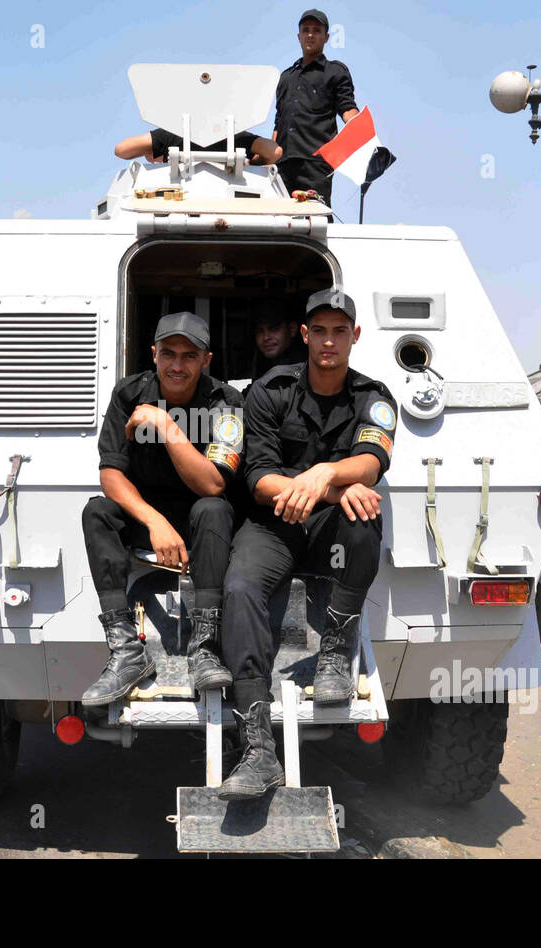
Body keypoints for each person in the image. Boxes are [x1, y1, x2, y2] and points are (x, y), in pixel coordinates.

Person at [217, 288, 397, 800]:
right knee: (242, 587)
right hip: (273, 523)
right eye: (319, 330)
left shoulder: (374, 397)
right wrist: (314, 486)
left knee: (364, 513)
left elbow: (371, 463)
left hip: (328, 532)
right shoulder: (270, 390)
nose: (329, 340)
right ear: (305, 334)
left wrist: (324, 475)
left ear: (354, 336)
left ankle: (334, 652)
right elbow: (256, 476)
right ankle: (256, 746)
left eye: (340, 330)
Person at [80, 312, 245, 706]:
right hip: (149, 518)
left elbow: (213, 483)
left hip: (202, 525)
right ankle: (126, 652)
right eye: (168, 353)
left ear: (206, 360)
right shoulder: (129, 392)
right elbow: (111, 474)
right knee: (97, 511)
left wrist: (167, 426)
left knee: (213, 507)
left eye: (189, 356)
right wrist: (153, 520)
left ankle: (205, 649)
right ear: (154, 354)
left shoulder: (226, 402)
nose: (176, 364)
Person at [273, 9, 359, 205]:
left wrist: (360, 129)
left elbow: (347, 108)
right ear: (299, 36)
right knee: (282, 223)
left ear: (326, 37)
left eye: (316, 30)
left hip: (315, 165)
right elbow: (278, 124)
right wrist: (269, 160)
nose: (310, 35)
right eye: (306, 30)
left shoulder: (334, 72)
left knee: (315, 221)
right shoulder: (286, 77)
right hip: (282, 166)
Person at [114, 128, 283, 166]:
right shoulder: (234, 134)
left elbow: (122, 150)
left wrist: (149, 151)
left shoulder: (171, 133)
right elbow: (275, 152)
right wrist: (249, 165)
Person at [250, 302, 307, 379]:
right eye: (260, 331)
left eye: (274, 329)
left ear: (292, 329)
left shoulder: (308, 367)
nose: (266, 337)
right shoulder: (260, 363)